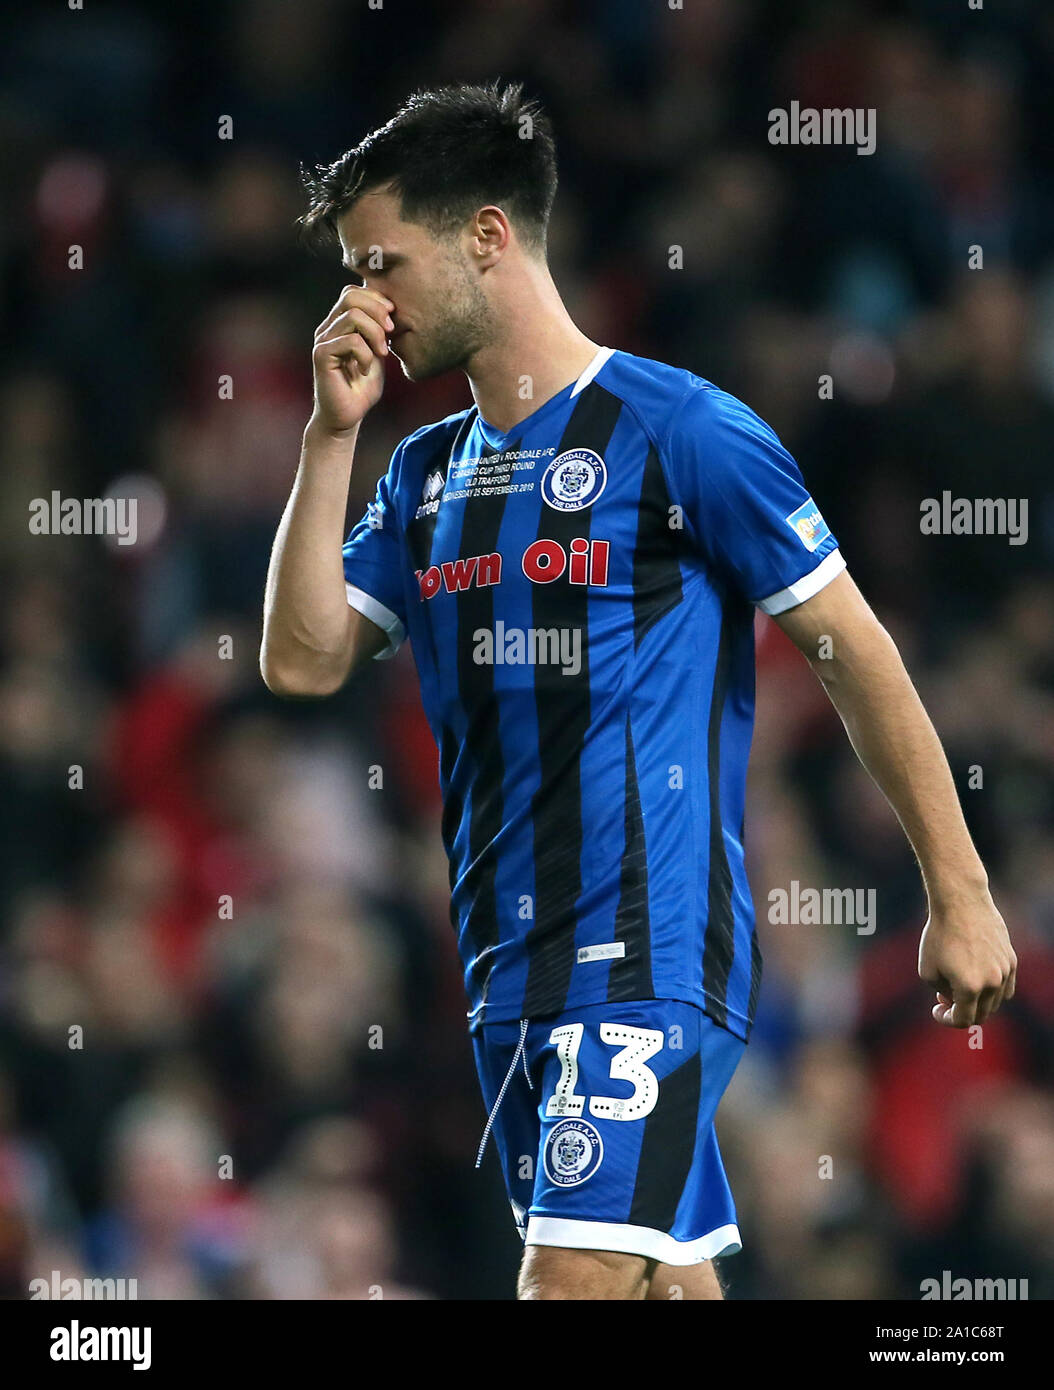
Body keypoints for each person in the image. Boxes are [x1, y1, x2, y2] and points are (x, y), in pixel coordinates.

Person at [260, 81, 1016, 1301]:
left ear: (488, 237)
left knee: (567, 1285)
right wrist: (327, 436)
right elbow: (299, 659)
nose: (362, 304)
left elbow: (852, 648)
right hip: (506, 967)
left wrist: (960, 888)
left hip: (648, 950)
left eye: (381, 263)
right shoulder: (424, 473)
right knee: (663, 1286)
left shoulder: (681, 430)